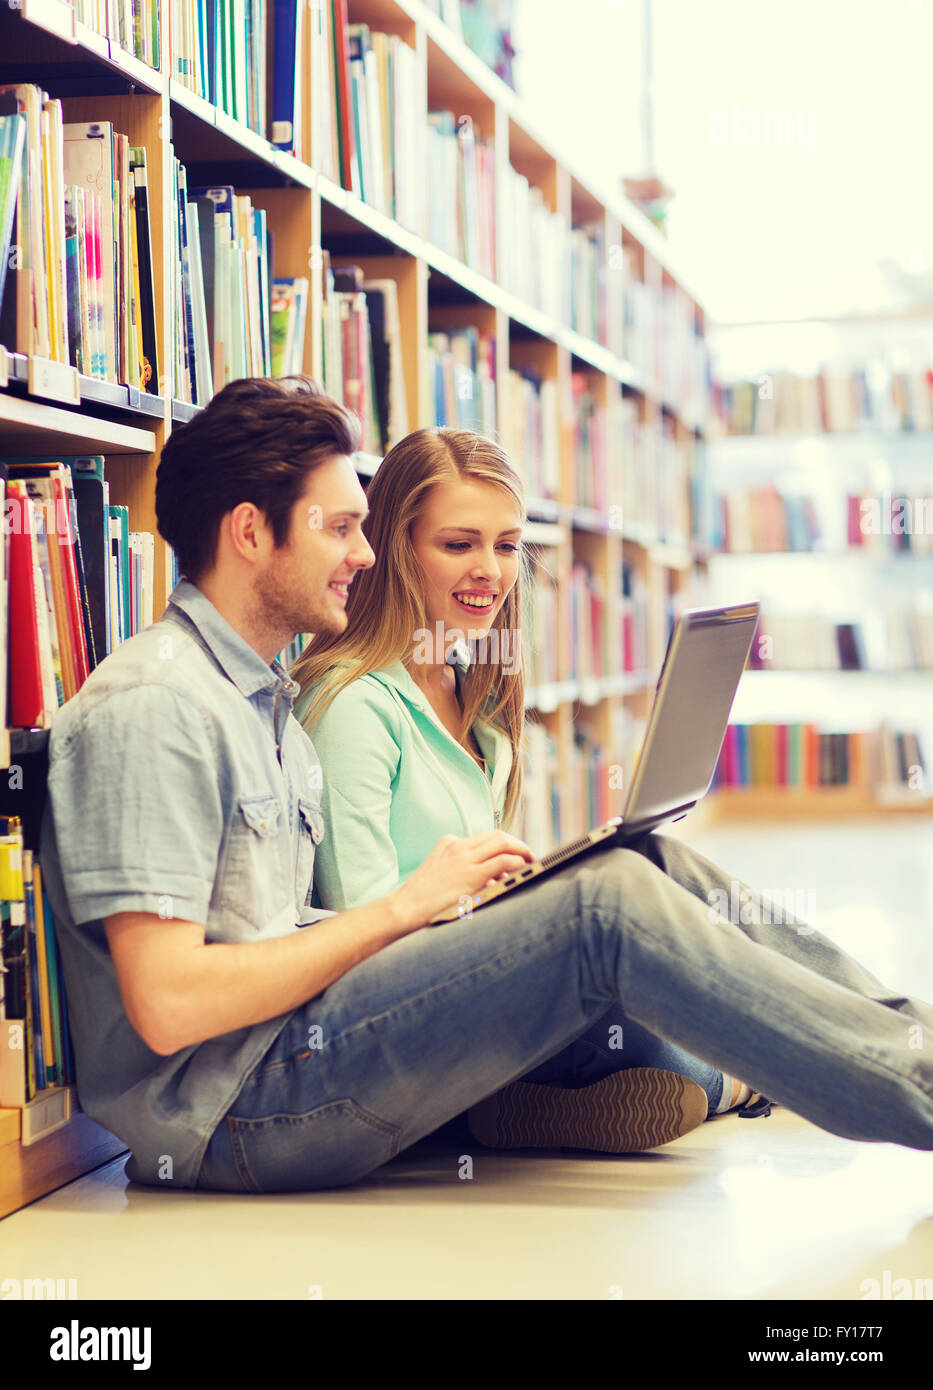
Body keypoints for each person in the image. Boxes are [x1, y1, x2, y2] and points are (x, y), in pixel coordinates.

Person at [39, 376, 933, 1195]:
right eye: (341, 526)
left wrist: (490, 906)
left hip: (299, 1050)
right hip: (239, 1110)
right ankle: (911, 1098)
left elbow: (273, 927)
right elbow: (169, 1005)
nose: (363, 552)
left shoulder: (254, 697)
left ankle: (915, 1045)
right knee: (606, 905)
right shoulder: (156, 706)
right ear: (248, 531)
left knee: (641, 861)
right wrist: (406, 907)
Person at [291, 427, 764, 1153]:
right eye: (458, 544)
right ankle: (735, 1076)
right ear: (390, 546)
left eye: (506, 546)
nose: (489, 570)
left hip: (485, 981)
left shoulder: (472, 693)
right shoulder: (352, 705)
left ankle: (508, 1104)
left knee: (664, 915)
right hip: (419, 1009)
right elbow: (363, 934)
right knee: (646, 1010)